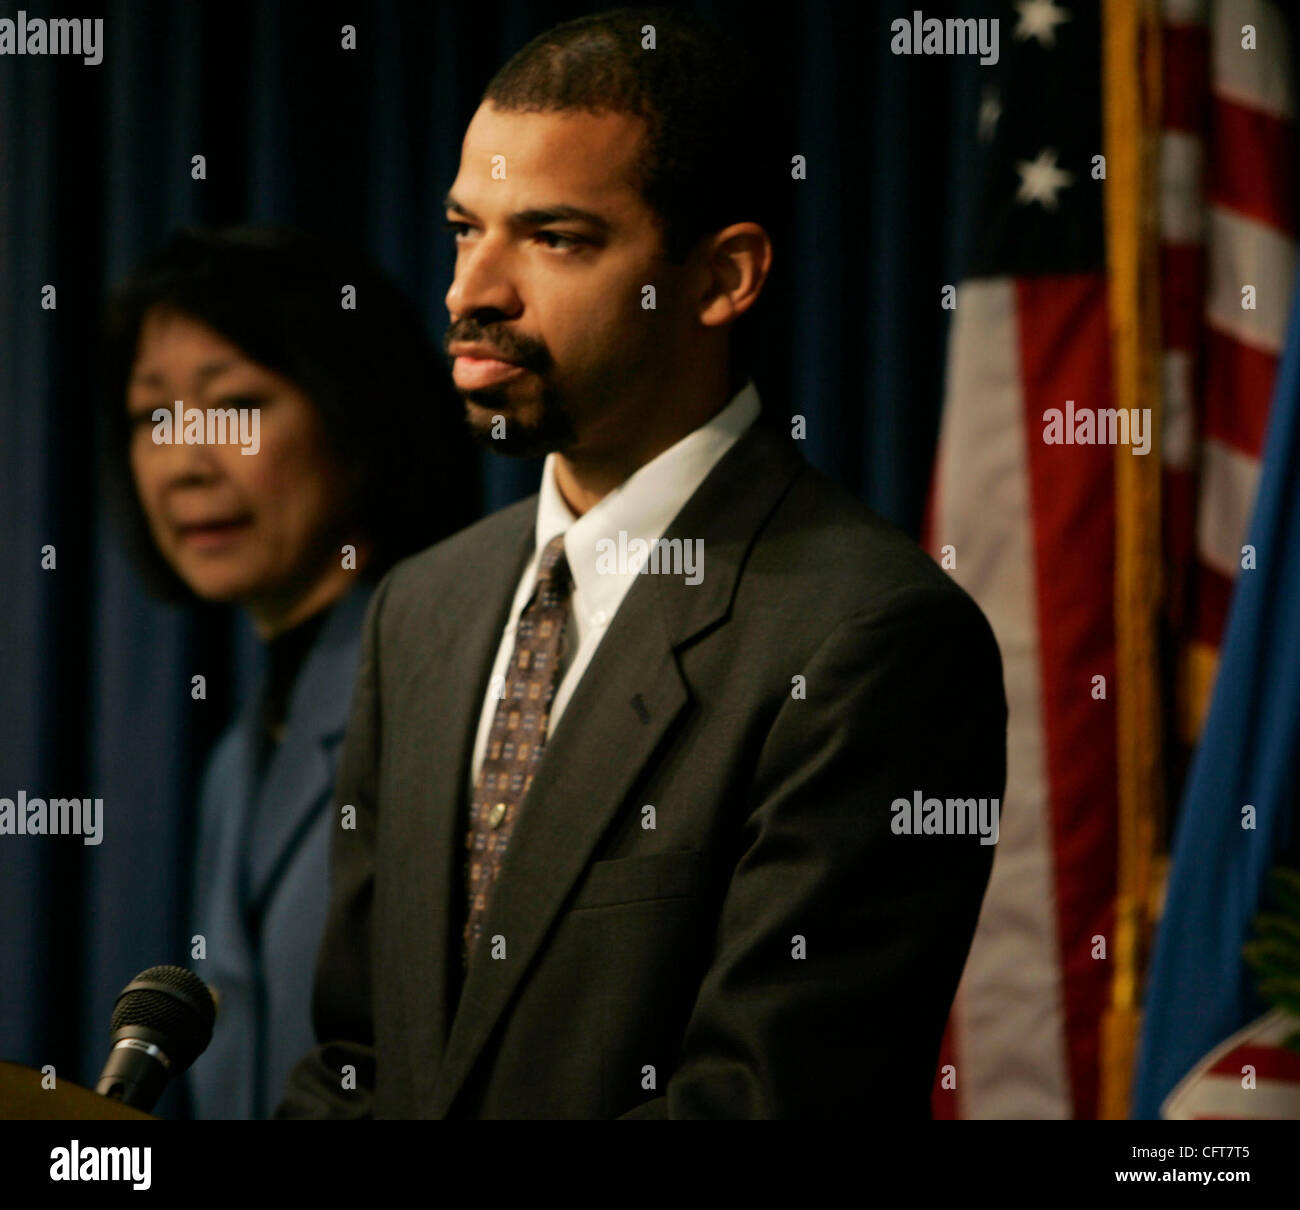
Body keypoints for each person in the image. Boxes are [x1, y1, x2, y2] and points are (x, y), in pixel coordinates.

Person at [277, 8, 1007, 1119]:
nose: (473, 290)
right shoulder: (421, 607)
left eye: (556, 238)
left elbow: (767, 1100)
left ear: (721, 277)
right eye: (464, 228)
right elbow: (355, 1063)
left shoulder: (870, 638)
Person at [100, 226, 476, 1119]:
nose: (185, 465)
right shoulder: (238, 755)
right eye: (154, 417)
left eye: (231, 406)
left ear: (357, 414)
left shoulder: (454, 700)